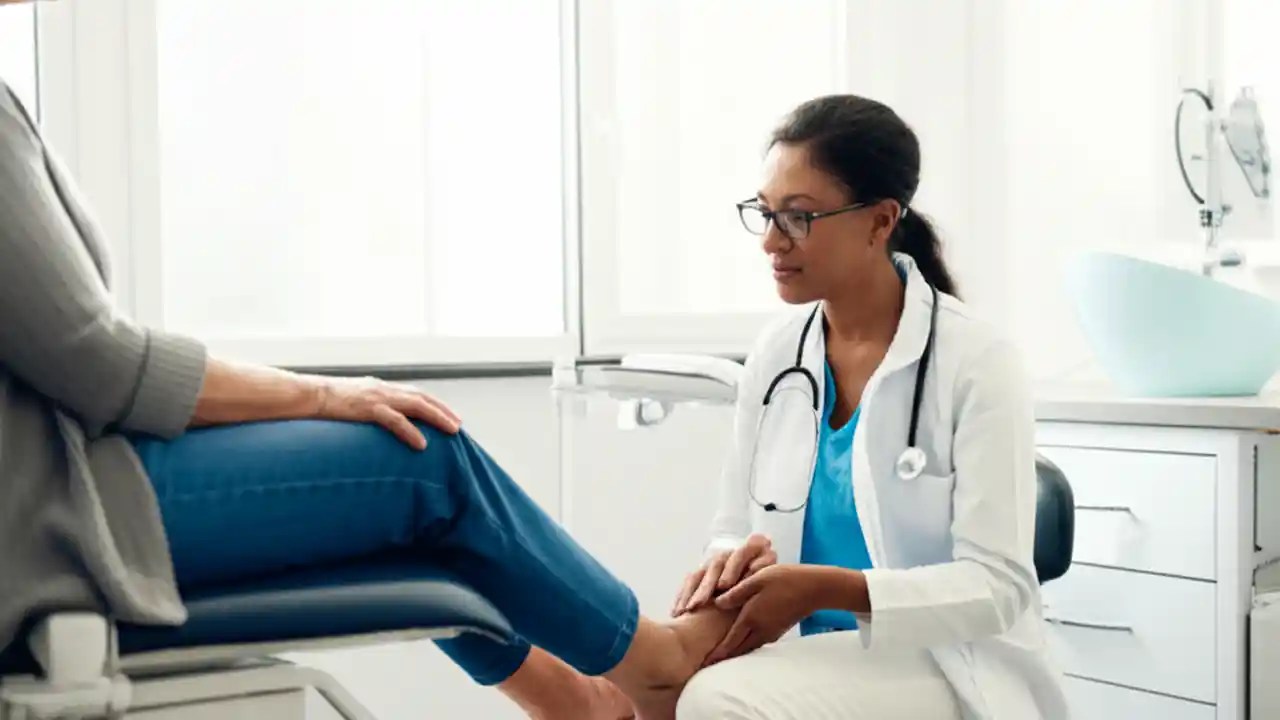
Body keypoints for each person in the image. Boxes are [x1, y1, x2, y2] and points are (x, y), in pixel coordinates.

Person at [0, 68, 737, 720]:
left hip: (59, 485)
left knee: (408, 490)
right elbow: (97, 361)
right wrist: (323, 395)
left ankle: (578, 701)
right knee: (419, 457)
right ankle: (655, 666)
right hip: (49, 516)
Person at [667, 96, 1069, 719]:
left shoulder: (977, 360)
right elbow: (732, 523)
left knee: (715, 703)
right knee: (651, 686)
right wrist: (726, 566)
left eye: (798, 217)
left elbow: (999, 587)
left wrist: (823, 591)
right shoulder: (778, 354)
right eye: (765, 213)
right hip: (806, 653)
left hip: (946, 660)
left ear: (880, 222)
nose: (772, 240)